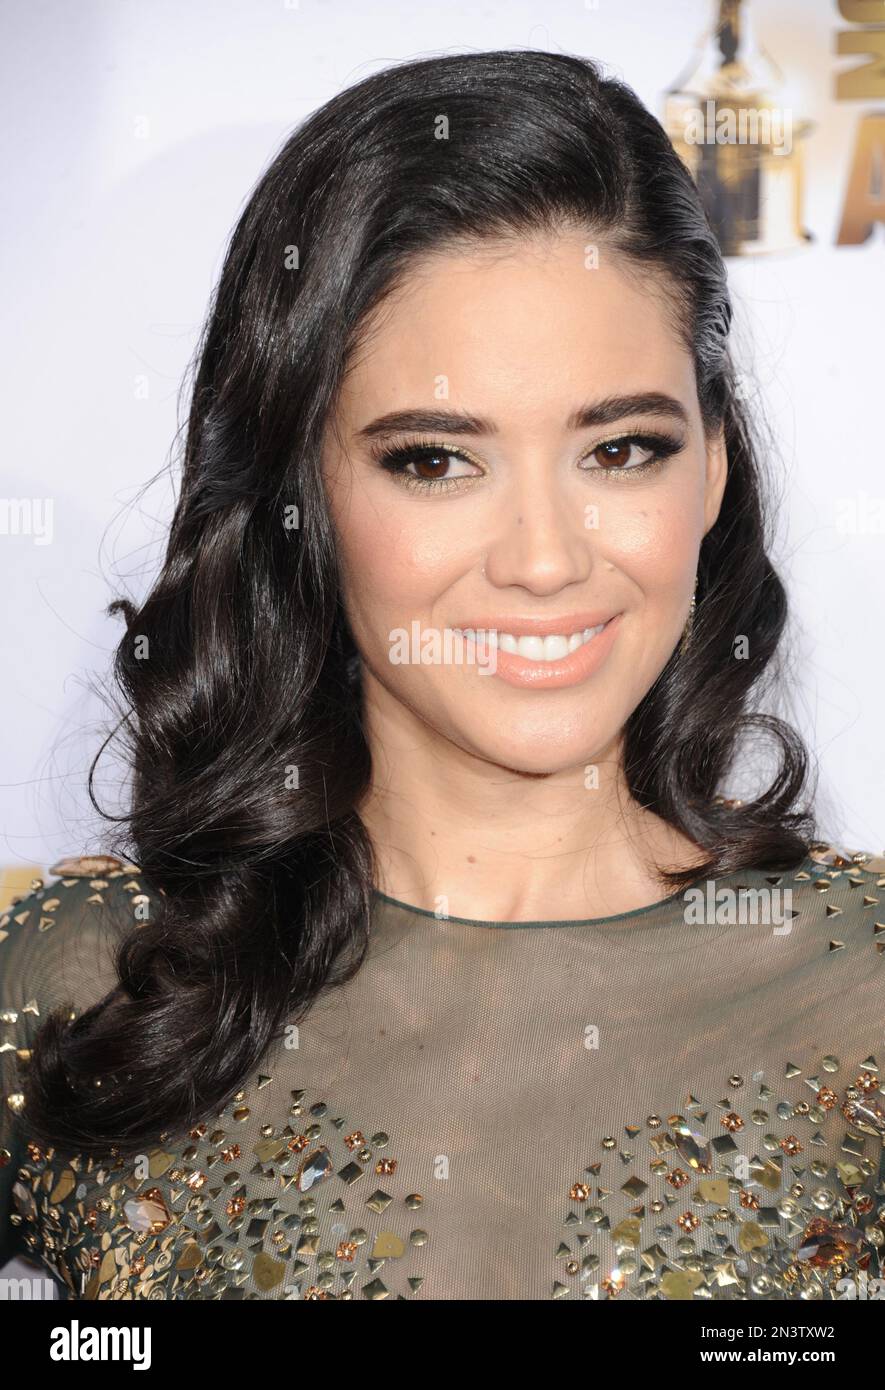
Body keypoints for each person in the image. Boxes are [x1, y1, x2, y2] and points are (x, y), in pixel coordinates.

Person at [1, 49, 882, 1303]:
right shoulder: (84, 985)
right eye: (434, 461)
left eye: (622, 448)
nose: (542, 558)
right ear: (302, 490)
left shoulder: (864, 990)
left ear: (716, 471)